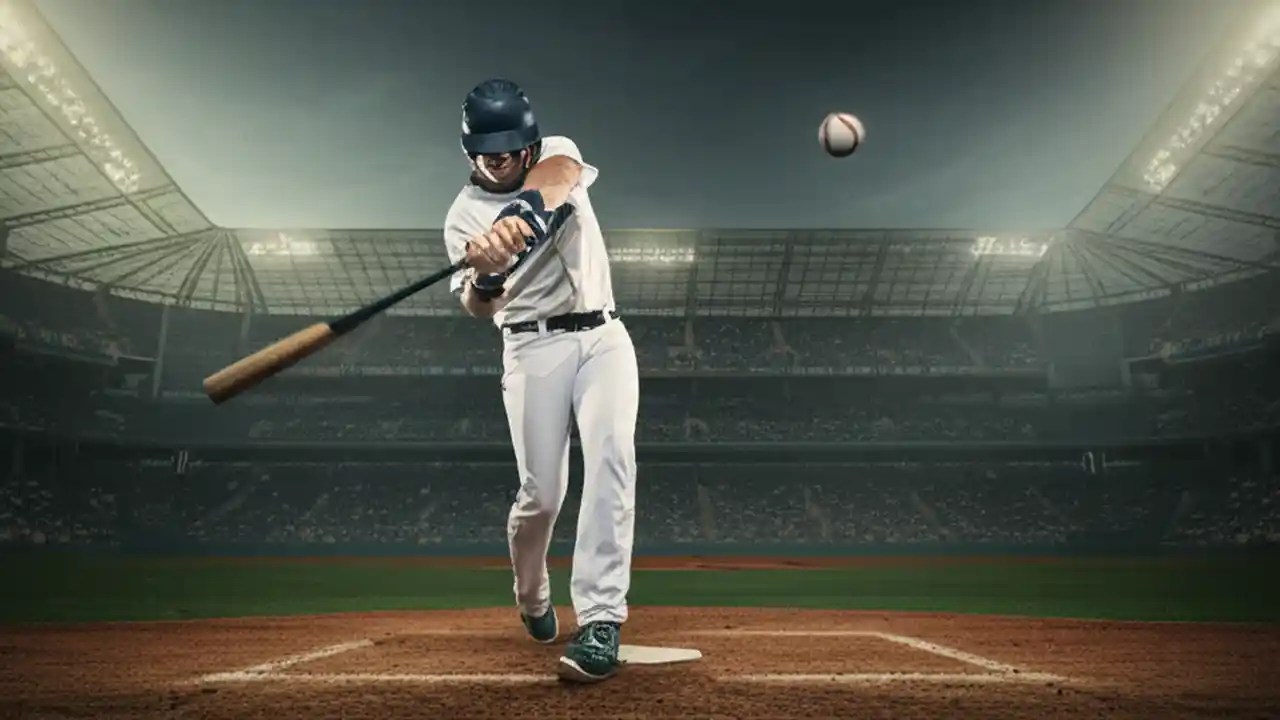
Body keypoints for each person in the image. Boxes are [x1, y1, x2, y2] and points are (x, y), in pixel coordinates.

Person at [441, 78, 640, 683]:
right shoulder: (460, 218)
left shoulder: (555, 150)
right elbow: (477, 310)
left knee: (611, 457)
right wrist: (488, 276)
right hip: (533, 347)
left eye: (508, 147)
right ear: (469, 151)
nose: (497, 158)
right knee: (543, 494)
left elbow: (558, 177)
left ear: (527, 143)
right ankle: (532, 595)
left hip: (604, 336)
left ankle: (601, 619)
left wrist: (519, 215)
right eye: (485, 150)